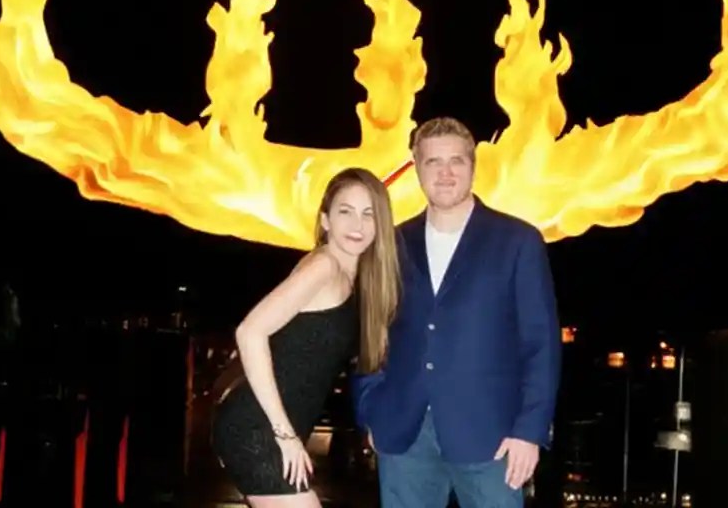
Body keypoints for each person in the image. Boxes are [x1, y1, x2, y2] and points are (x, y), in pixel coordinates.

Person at [353, 117, 562, 508]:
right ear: (417, 168)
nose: (445, 173)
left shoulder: (518, 241)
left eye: (456, 161)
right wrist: (370, 410)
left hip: (493, 437)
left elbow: (541, 344)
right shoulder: (393, 243)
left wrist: (530, 431)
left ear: (473, 166)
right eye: (433, 162)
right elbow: (372, 332)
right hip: (403, 434)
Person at [212, 167, 401, 506]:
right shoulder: (324, 267)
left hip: (276, 427)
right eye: (346, 212)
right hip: (258, 428)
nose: (358, 225)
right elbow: (250, 331)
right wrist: (284, 434)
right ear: (326, 220)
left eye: (368, 214)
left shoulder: (353, 276)